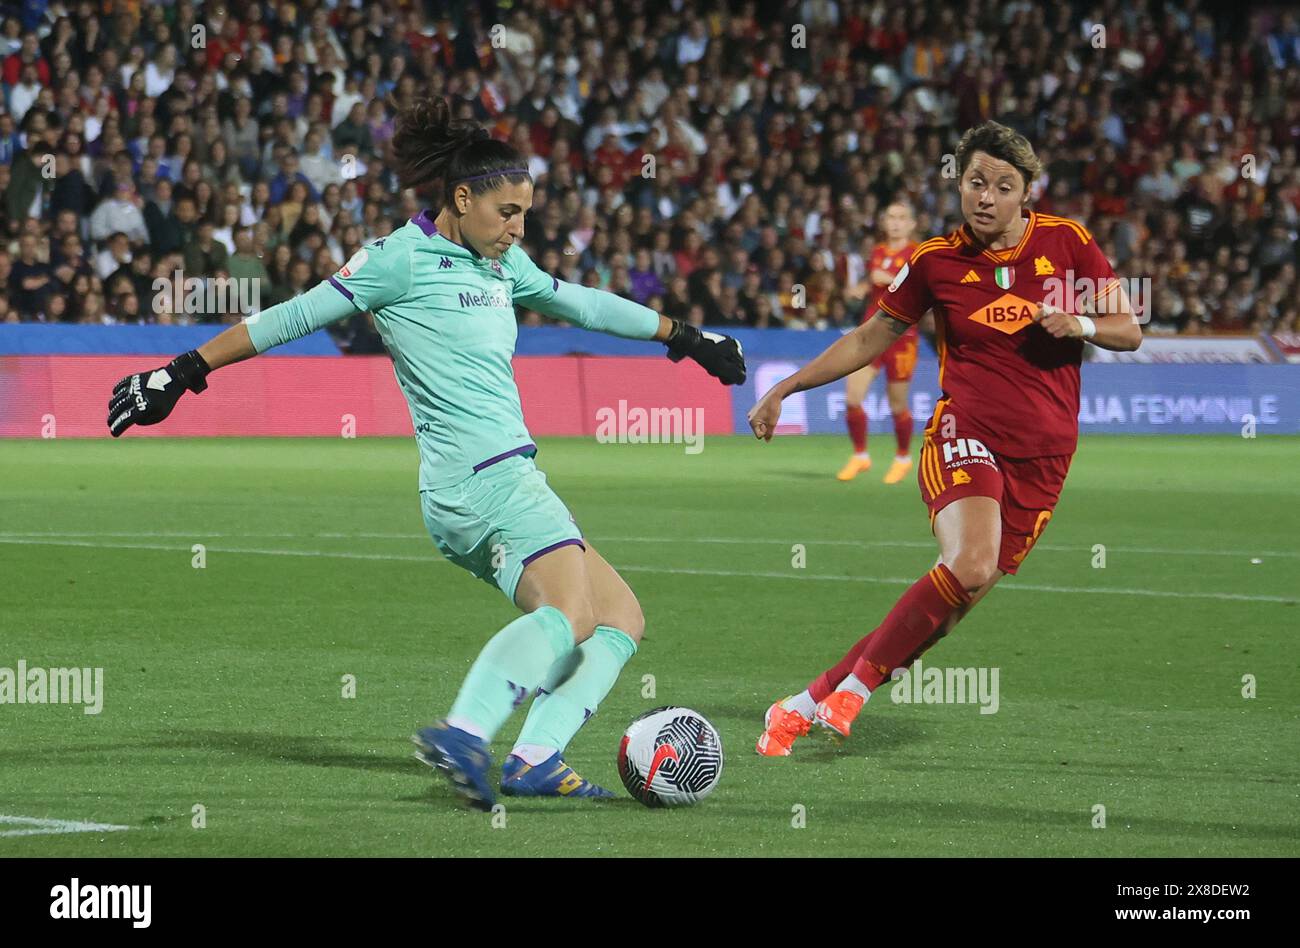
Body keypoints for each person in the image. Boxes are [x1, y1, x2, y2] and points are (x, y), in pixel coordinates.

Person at [106, 97, 746, 808]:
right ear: (462, 197)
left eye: (525, 213)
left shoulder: (502, 263)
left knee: (621, 617)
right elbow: (290, 316)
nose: (517, 227)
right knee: (569, 614)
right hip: (483, 481)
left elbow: (584, 303)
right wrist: (180, 372)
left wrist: (686, 338)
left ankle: (536, 757)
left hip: (494, 481)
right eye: (506, 212)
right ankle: (465, 731)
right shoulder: (398, 260)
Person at [749, 121, 1141, 757]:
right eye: (975, 181)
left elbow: (1130, 330)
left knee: (953, 600)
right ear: (958, 182)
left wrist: (1083, 322)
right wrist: (786, 387)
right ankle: (856, 693)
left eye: (1002, 186)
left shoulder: (1068, 244)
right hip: (965, 433)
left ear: (1025, 194)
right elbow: (869, 337)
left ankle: (801, 704)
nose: (985, 196)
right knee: (971, 563)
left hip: (1045, 456)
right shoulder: (934, 261)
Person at [837, 200, 920, 484]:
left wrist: (888, 278)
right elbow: (873, 285)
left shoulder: (918, 254)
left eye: (902, 217)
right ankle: (860, 455)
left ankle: (902, 458)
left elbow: (919, 290)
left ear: (912, 224)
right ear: (884, 222)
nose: (895, 222)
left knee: (898, 405)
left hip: (901, 337)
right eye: (891, 217)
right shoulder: (877, 252)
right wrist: (859, 289)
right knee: (852, 398)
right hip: (872, 334)